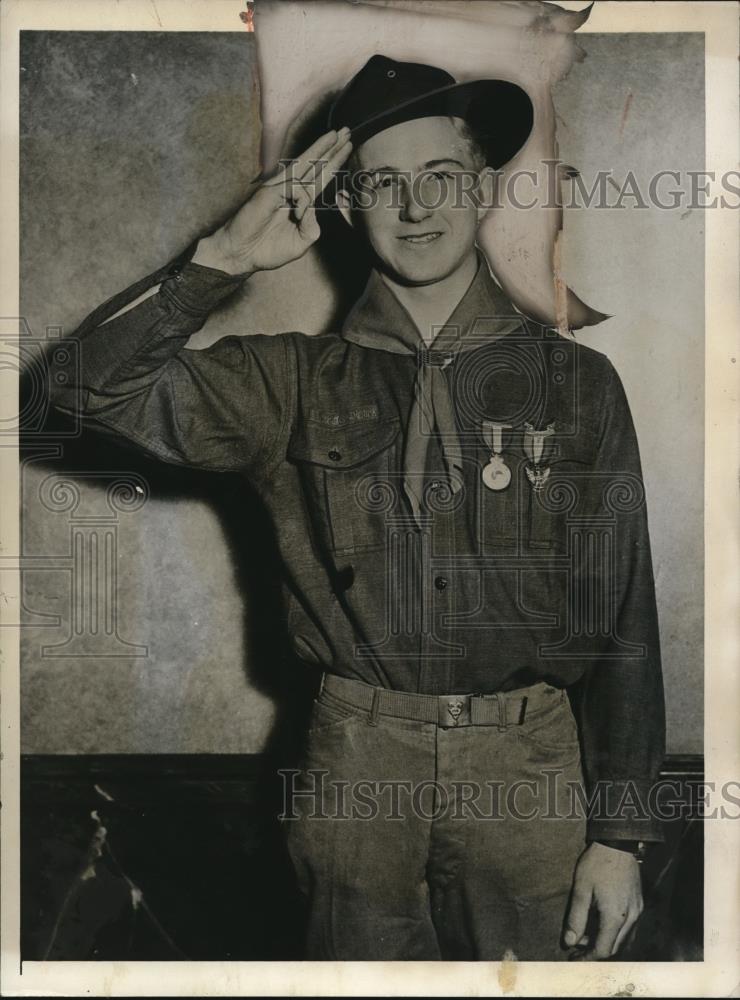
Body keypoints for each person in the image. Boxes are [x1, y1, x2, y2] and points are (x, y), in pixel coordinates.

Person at [50, 55, 665, 961]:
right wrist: (221, 260)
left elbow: (626, 619)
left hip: (531, 773)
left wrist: (622, 834)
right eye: (382, 182)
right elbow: (77, 388)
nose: (415, 207)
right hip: (355, 770)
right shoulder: (292, 382)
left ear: (485, 186)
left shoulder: (575, 385)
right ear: (344, 204)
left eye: (440, 177)